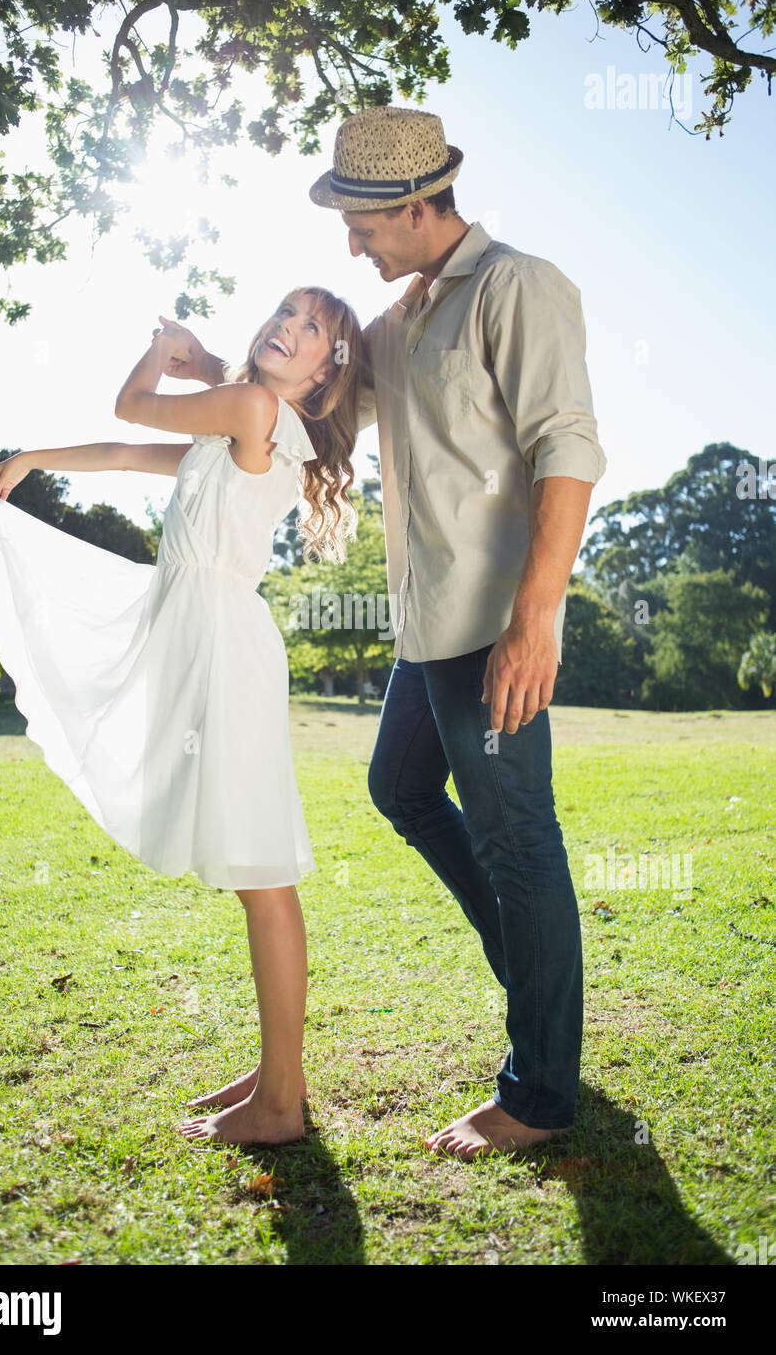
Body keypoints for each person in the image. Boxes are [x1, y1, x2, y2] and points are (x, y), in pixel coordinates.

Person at [0, 287, 363, 1147]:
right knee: (255, 866)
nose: (285, 330)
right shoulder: (246, 424)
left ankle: (281, 1105)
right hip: (210, 637)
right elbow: (122, 447)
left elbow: (131, 404)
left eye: (310, 331)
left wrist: (171, 349)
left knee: (261, 873)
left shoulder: (254, 407)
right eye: (284, 314)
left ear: (326, 370)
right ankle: (277, 1072)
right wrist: (33, 457)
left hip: (221, 646)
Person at [308, 105, 608, 1158]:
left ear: (413, 203)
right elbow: (321, 416)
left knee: (517, 843)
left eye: (360, 223)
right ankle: (533, 982)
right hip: (424, 628)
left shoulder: (517, 286)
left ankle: (539, 1091)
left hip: (492, 629)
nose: (350, 244)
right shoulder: (396, 326)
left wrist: (535, 618)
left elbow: (565, 446)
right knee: (398, 790)